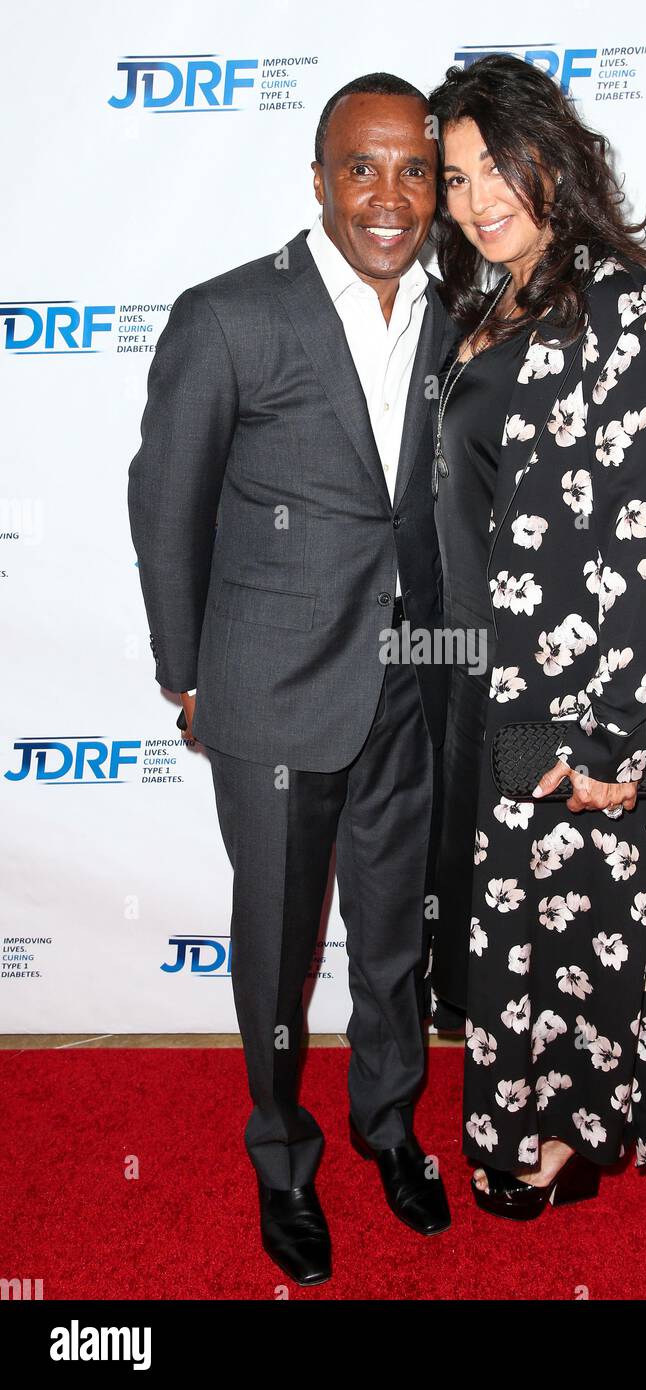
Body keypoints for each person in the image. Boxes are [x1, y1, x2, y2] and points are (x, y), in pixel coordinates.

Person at [128, 72, 458, 1284]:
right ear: (317, 178)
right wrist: (184, 675)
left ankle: (389, 1129)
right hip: (268, 692)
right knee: (276, 950)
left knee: (392, 943)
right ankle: (282, 1160)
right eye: (360, 167)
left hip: (409, 691)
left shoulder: (458, 312)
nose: (387, 195)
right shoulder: (228, 317)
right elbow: (163, 506)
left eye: (412, 169)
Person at [427, 53, 646, 1218]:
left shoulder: (623, 314)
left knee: (564, 921)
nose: (477, 196)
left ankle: (559, 1136)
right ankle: (515, 1109)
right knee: (508, 926)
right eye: (455, 175)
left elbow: (642, 552)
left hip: (562, 692)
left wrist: (610, 733)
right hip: (472, 674)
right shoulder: (492, 300)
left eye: (497, 166)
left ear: (555, 158)